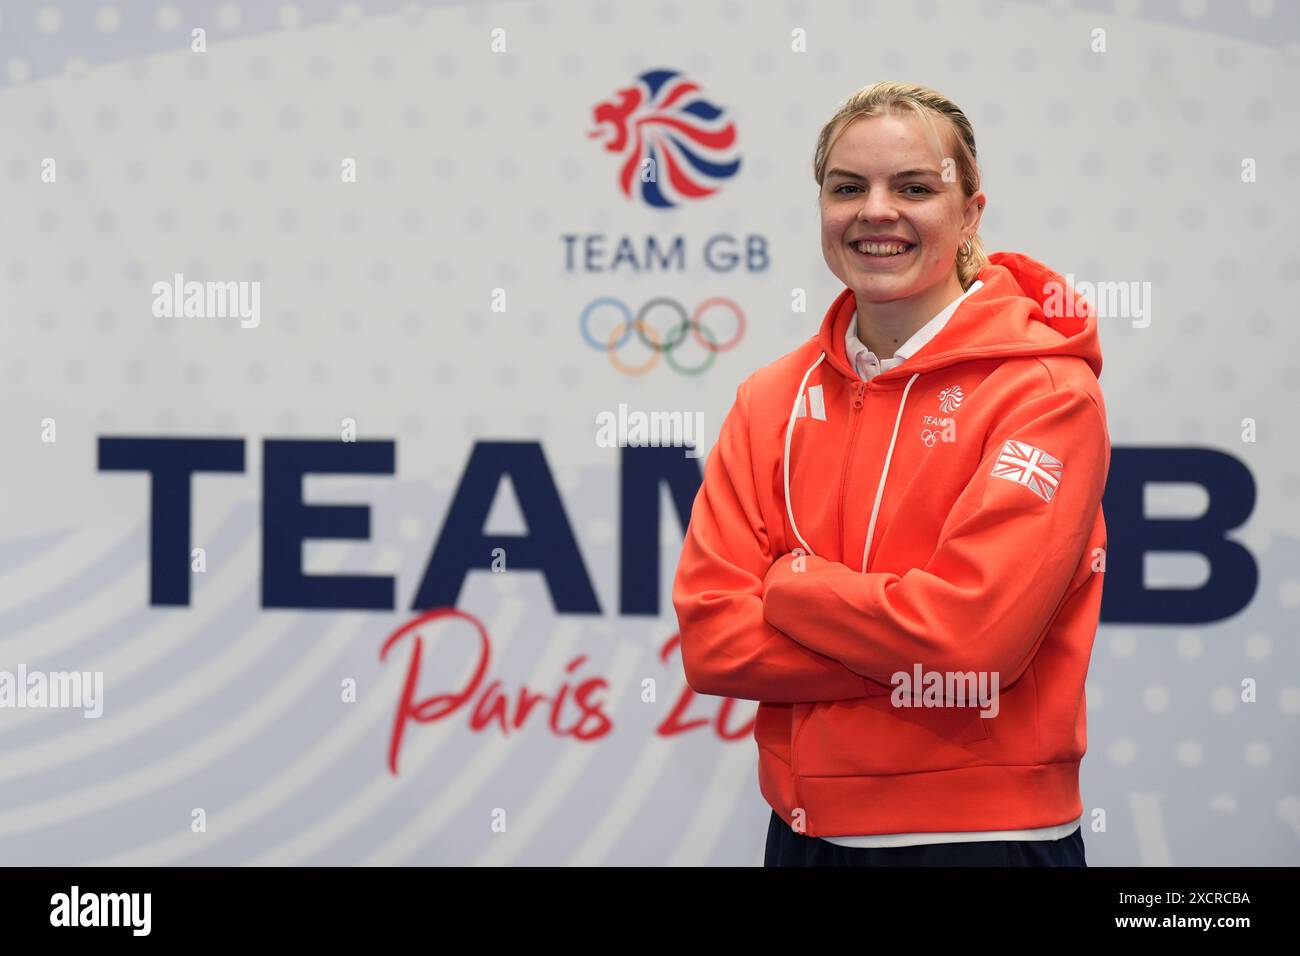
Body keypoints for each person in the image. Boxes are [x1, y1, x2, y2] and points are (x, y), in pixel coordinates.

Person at [671, 81, 1109, 867]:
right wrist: (914, 644)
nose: (876, 210)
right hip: (807, 833)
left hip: (986, 840)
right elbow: (712, 642)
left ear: (970, 213)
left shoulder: (1046, 395)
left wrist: (793, 588)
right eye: (848, 188)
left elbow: (974, 645)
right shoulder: (770, 397)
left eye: (914, 187)